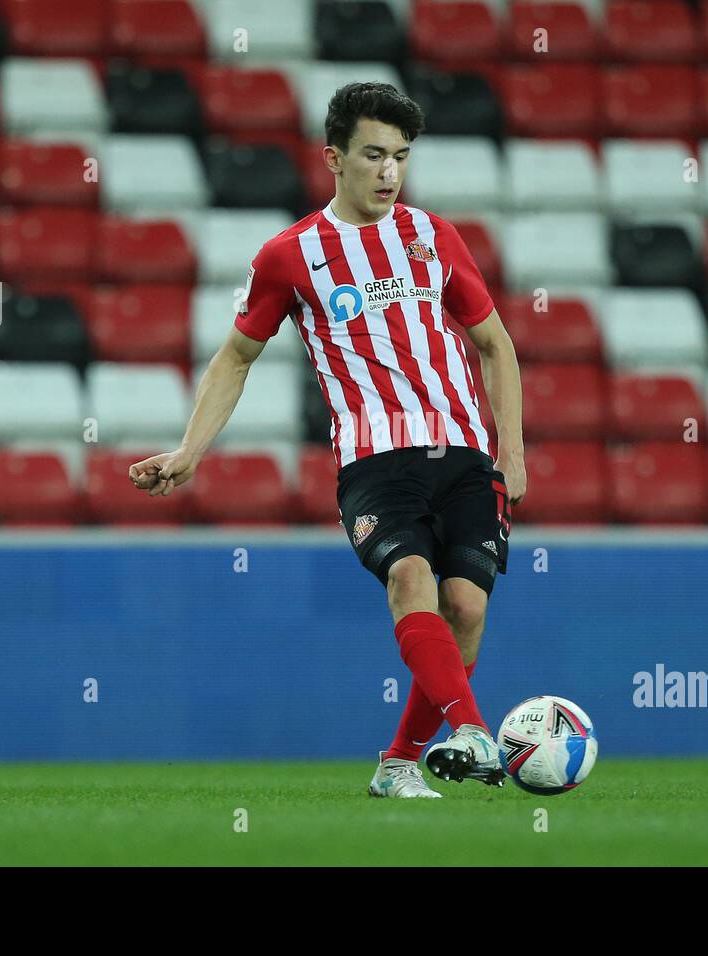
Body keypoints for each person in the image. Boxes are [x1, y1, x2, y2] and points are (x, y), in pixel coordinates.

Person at [130, 82, 526, 798]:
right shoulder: (291, 255)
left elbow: (496, 345)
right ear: (333, 158)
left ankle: (400, 762)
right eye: (374, 155)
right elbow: (236, 356)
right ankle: (472, 733)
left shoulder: (434, 237)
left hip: (466, 456)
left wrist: (513, 454)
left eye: (401, 157)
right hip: (374, 462)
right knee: (411, 581)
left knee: (465, 607)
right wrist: (190, 450)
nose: (389, 172)